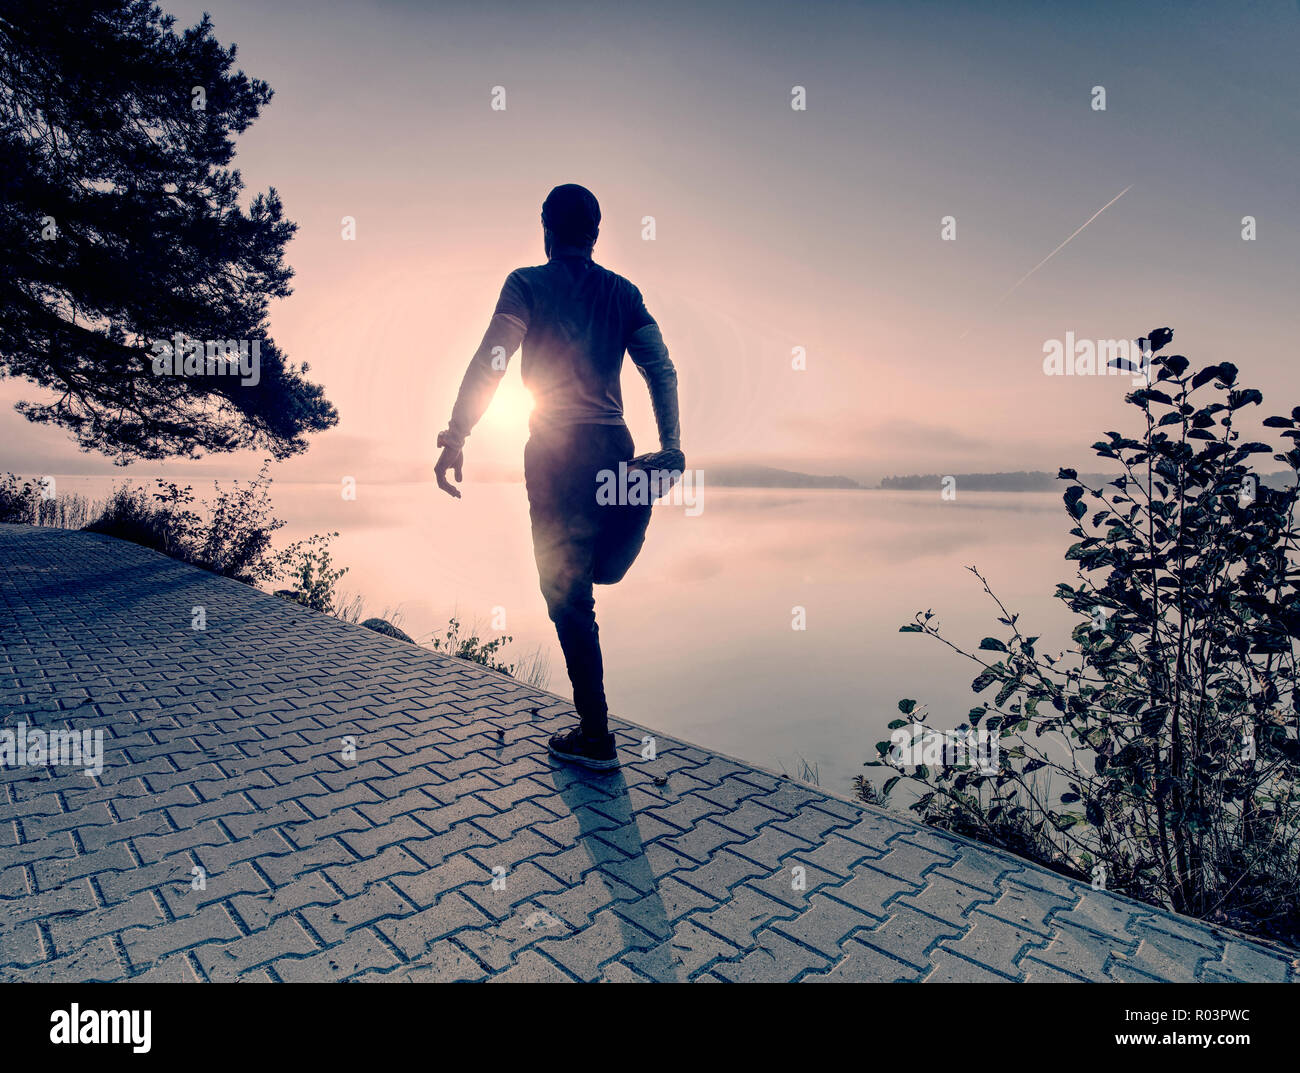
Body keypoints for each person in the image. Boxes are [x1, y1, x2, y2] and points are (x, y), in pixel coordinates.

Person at [435, 184, 682, 771]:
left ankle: (595, 737)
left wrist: (457, 432)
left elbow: (494, 358)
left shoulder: (528, 284)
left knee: (567, 594)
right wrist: (671, 444)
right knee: (599, 572)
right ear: (595, 234)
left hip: (554, 451)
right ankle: (635, 489)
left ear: (546, 228)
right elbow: (660, 366)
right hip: (613, 442)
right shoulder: (624, 293)